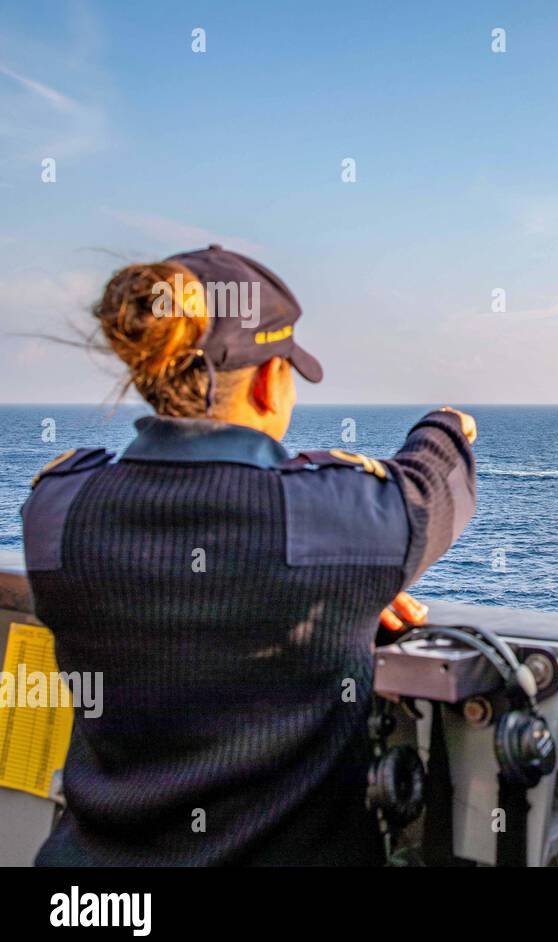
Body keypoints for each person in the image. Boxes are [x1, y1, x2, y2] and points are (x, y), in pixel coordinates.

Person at [22, 245, 477, 865]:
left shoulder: (57, 508)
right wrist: (445, 423)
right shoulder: (334, 519)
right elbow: (433, 487)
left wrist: (337, 585)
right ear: (269, 380)